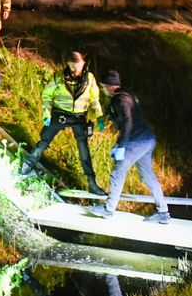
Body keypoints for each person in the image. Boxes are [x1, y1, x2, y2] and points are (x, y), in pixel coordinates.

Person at [88, 70, 171, 222]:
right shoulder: (128, 95)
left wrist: (121, 146)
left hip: (137, 141)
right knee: (147, 175)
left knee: (118, 170)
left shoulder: (119, 99)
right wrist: (107, 119)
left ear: (110, 86)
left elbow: (127, 120)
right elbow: (125, 117)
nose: (103, 89)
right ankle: (163, 212)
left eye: (103, 86)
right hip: (148, 139)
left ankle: (108, 209)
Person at [22, 51, 105, 195]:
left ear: (83, 64)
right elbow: (47, 95)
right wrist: (46, 112)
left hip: (79, 118)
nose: (76, 71)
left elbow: (95, 99)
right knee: (44, 140)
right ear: (67, 65)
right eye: (73, 67)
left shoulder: (89, 79)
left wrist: (99, 116)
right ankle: (28, 164)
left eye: (78, 67)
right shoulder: (59, 77)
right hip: (60, 114)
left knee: (83, 148)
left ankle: (92, 182)